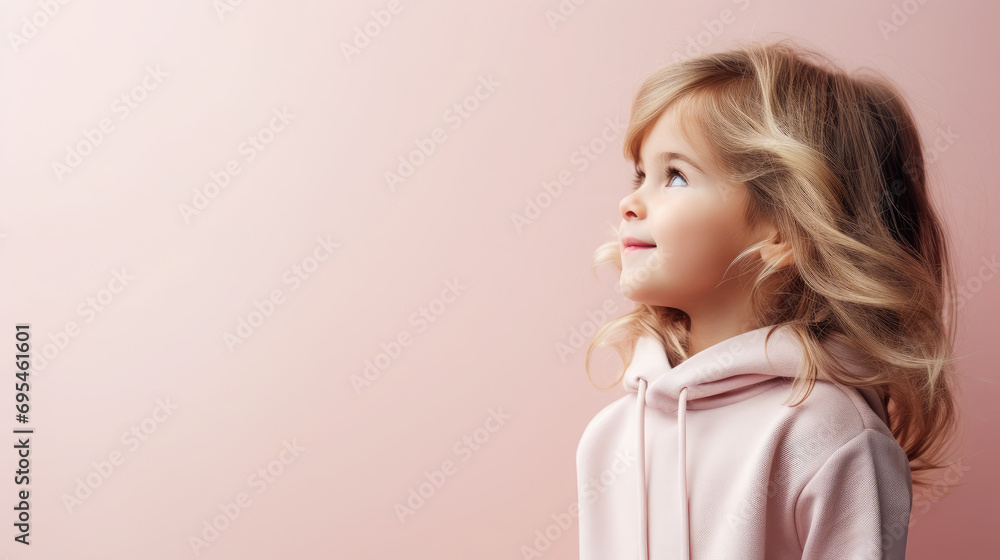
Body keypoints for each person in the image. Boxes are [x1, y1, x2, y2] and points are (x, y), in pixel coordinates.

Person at [576, 37, 964, 560]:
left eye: (675, 175)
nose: (630, 201)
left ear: (782, 231)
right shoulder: (610, 438)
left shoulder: (831, 435)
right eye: (640, 174)